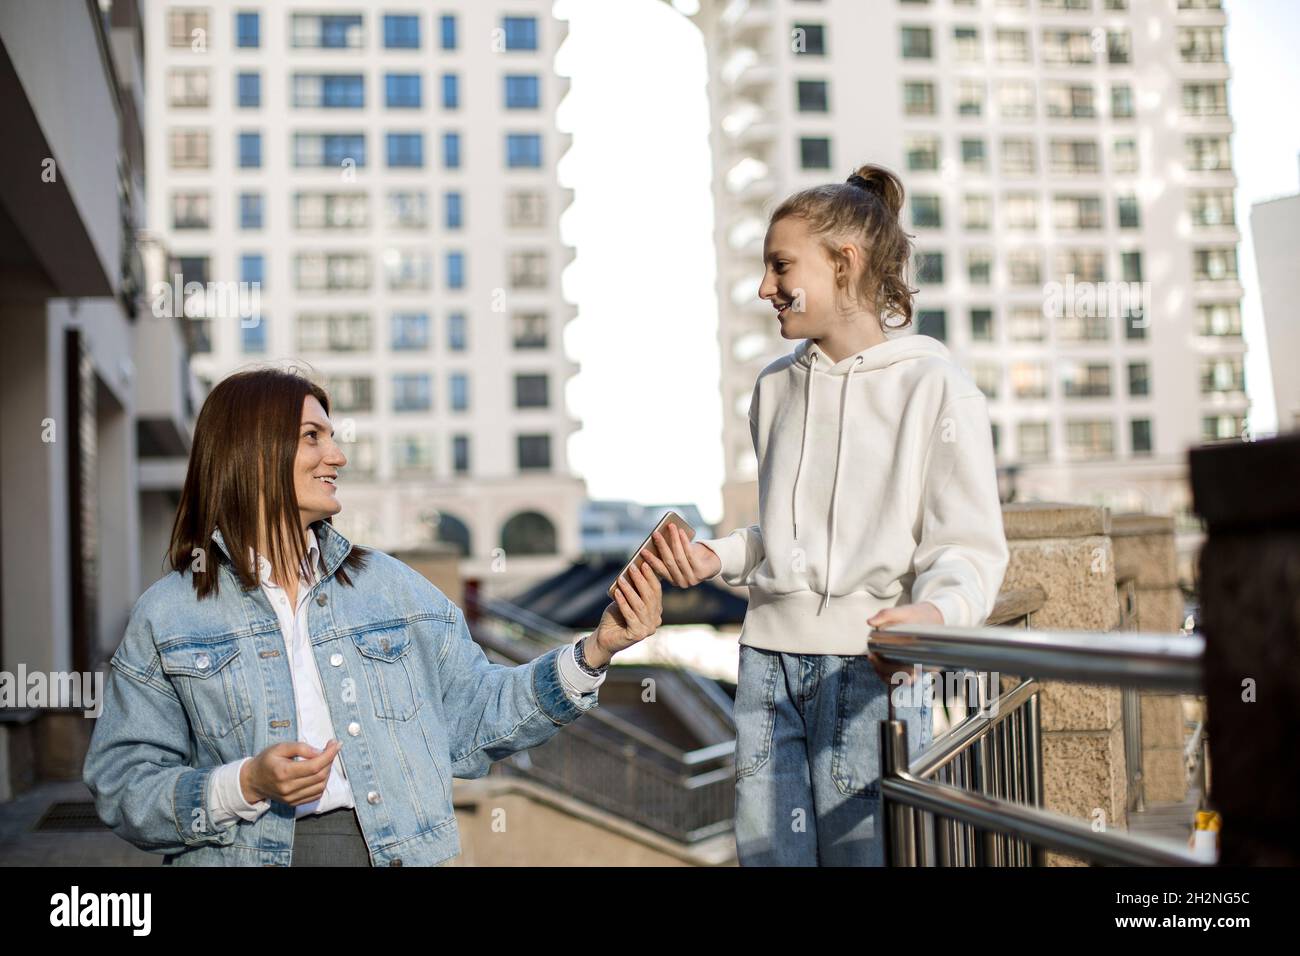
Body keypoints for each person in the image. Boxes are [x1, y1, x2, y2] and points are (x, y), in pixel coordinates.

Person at [83, 367, 662, 866]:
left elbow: (475, 719)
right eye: (312, 437)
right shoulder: (168, 613)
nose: (336, 455)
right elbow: (122, 785)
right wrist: (245, 783)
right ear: (252, 453)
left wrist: (595, 651)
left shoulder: (392, 589)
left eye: (332, 438)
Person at [639, 164, 1009, 866]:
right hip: (764, 669)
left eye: (781, 266)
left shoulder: (938, 388)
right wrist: (716, 557)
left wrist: (939, 616)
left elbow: (967, 548)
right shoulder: (773, 389)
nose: (763, 288)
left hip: (868, 672)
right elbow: (780, 539)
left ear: (846, 263)